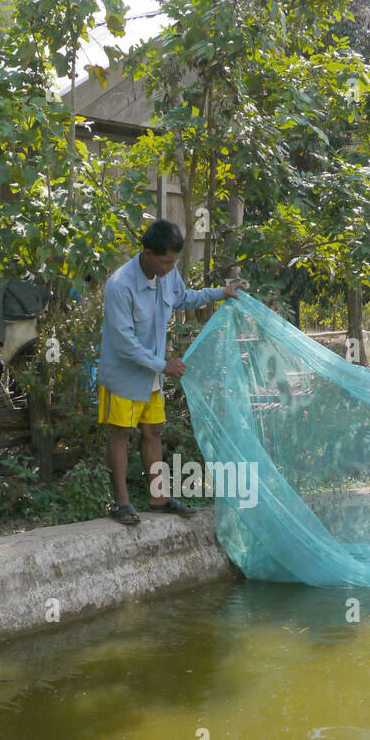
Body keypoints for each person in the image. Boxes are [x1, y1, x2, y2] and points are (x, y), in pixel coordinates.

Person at [98, 220, 245, 524]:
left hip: (150, 375)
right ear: (148, 254)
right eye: (166, 261)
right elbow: (124, 343)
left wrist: (220, 293)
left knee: (153, 431)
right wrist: (163, 365)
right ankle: (121, 503)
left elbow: (183, 298)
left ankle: (158, 497)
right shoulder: (120, 285)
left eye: (175, 260)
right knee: (121, 434)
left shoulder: (168, 275)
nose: (171, 267)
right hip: (123, 376)